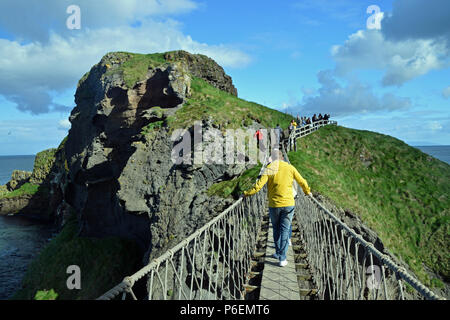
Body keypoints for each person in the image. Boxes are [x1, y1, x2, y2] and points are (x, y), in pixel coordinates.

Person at [243, 149, 312, 267]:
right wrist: (307, 192)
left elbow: (258, 185)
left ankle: (278, 253)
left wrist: (246, 193)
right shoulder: (290, 167)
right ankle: (282, 258)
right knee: (285, 230)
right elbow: (302, 181)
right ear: (282, 158)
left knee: (276, 229)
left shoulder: (269, 168)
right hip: (288, 204)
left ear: (272, 158)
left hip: (274, 205)